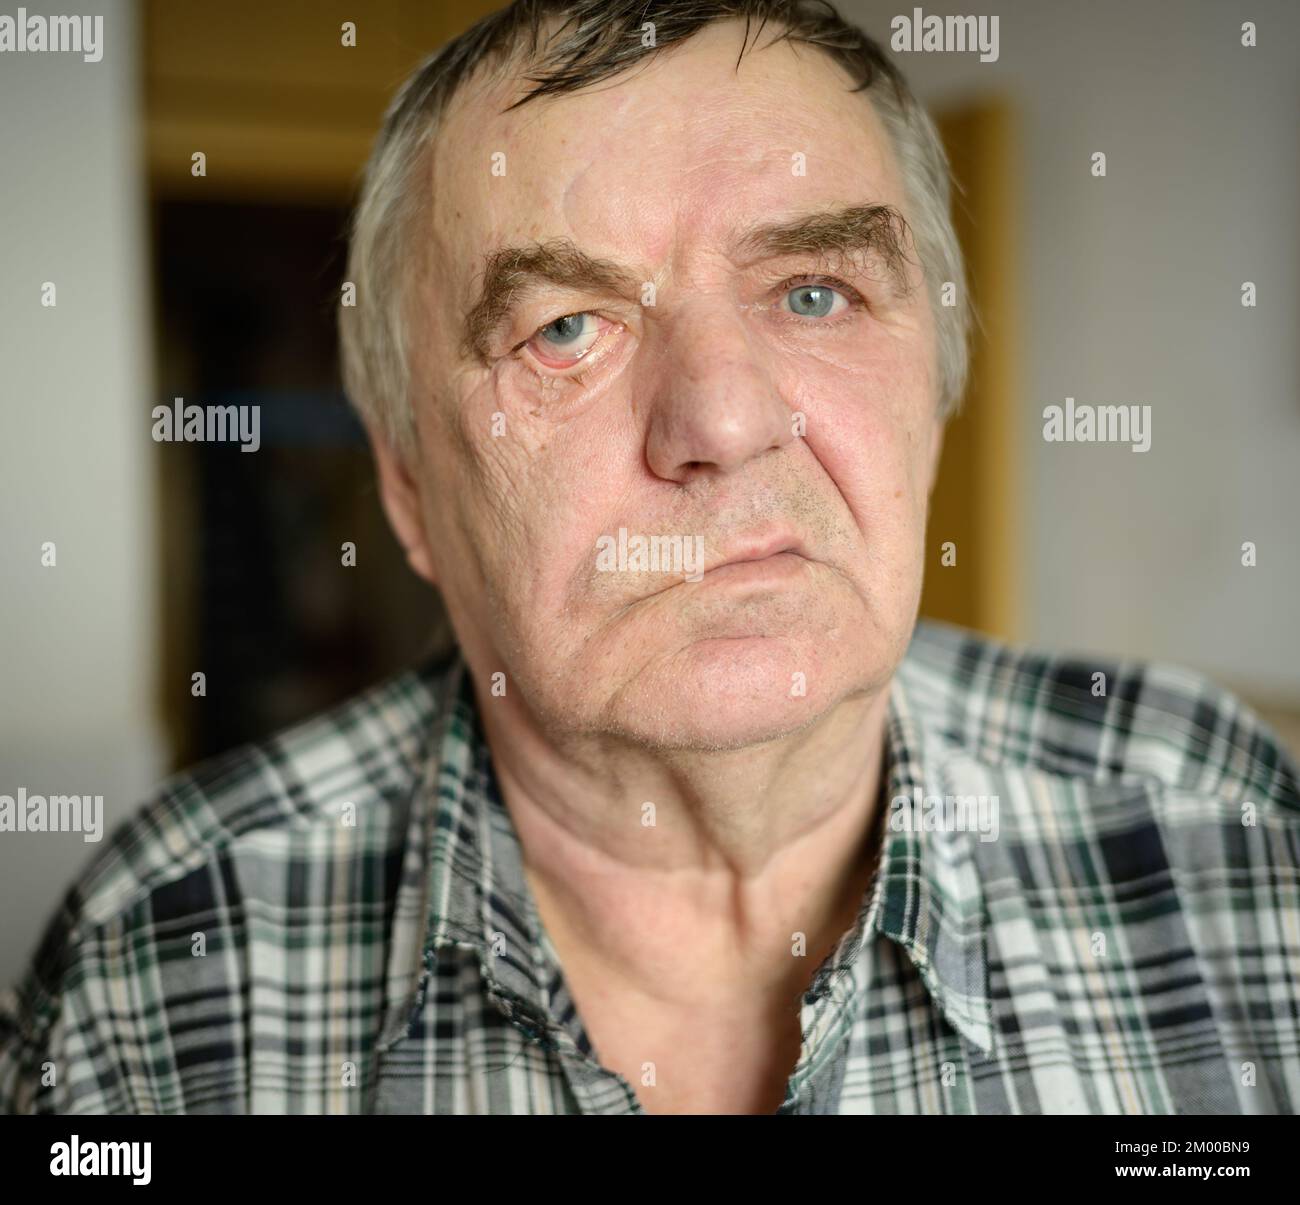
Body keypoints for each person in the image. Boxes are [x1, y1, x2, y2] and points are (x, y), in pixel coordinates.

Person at [2, 0, 1296, 1115]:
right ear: (409, 488)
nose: (724, 422)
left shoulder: (1223, 830)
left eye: (813, 292)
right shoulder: (159, 964)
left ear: (937, 396)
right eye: (567, 327)